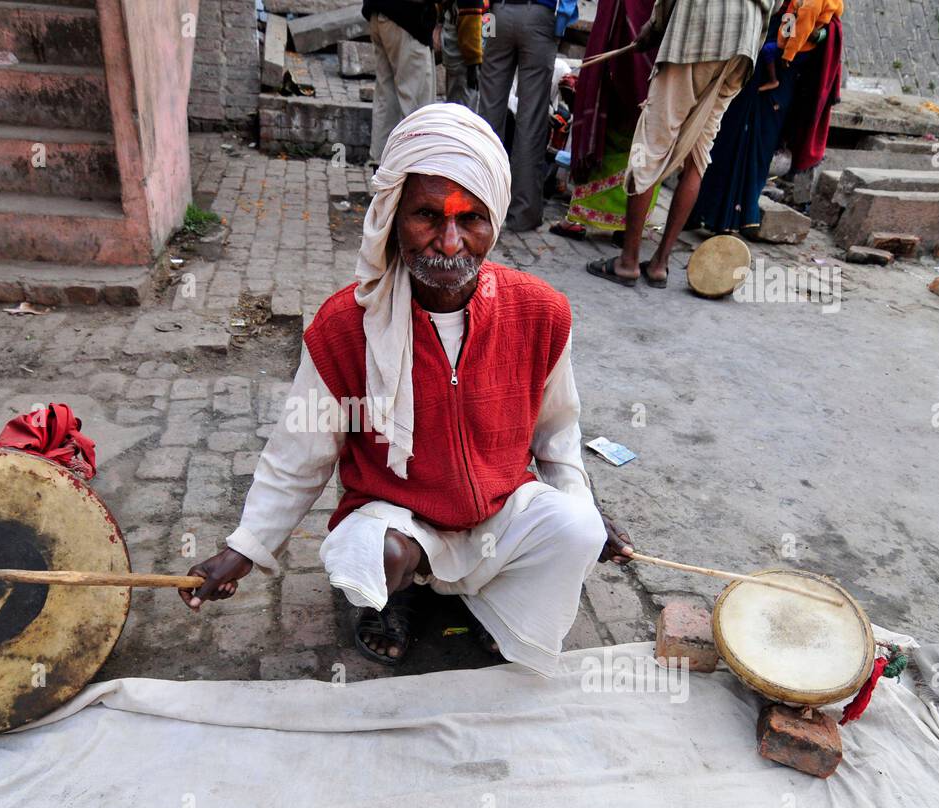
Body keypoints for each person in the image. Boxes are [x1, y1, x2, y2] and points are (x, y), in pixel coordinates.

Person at [180, 104, 633, 672]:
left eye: (471, 218)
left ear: (493, 222)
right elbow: (300, 455)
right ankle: (395, 599)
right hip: (402, 525)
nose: (449, 242)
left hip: (495, 516)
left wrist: (584, 509)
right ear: (392, 215)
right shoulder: (346, 326)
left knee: (576, 528)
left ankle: (496, 604)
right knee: (378, 554)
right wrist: (244, 549)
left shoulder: (541, 312)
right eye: (427, 215)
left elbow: (558, 433)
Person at [585, 0, 775, 288]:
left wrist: (654, 27)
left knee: (651, 143)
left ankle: (628, 262)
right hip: (744, 41)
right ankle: (659, 265)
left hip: (698, 29)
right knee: (698, 153)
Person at [688, 0, 844, 236]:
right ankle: (701, 211)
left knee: (758, 142)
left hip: (782, 67)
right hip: (758, 57)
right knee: (726, 136)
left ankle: (733, 218)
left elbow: (811, 24)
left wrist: (807, 40)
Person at [550, 0, 662, 241]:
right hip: (654, 68)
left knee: (604, 132)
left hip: (621, 59)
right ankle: (630, 226)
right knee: (645, 143)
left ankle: (577, 218)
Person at [478, 0, 578, 231]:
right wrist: (560, 23)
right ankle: (522, 213)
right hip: (539, 16)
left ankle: (479, 201)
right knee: (531, 120)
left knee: (488, 115)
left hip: (497, 14)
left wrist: (488, 16)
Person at [363, 0, 439, 164]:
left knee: (386, 97)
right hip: (407, 19)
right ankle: (412, 165)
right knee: (417, 104)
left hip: (380, 13)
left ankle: (381, 162)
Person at [437, 0, 486, 112]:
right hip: (465, 62)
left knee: (457, 105)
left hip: (460, 57)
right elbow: (470, 22)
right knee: (463, 111)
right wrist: (473, 61)